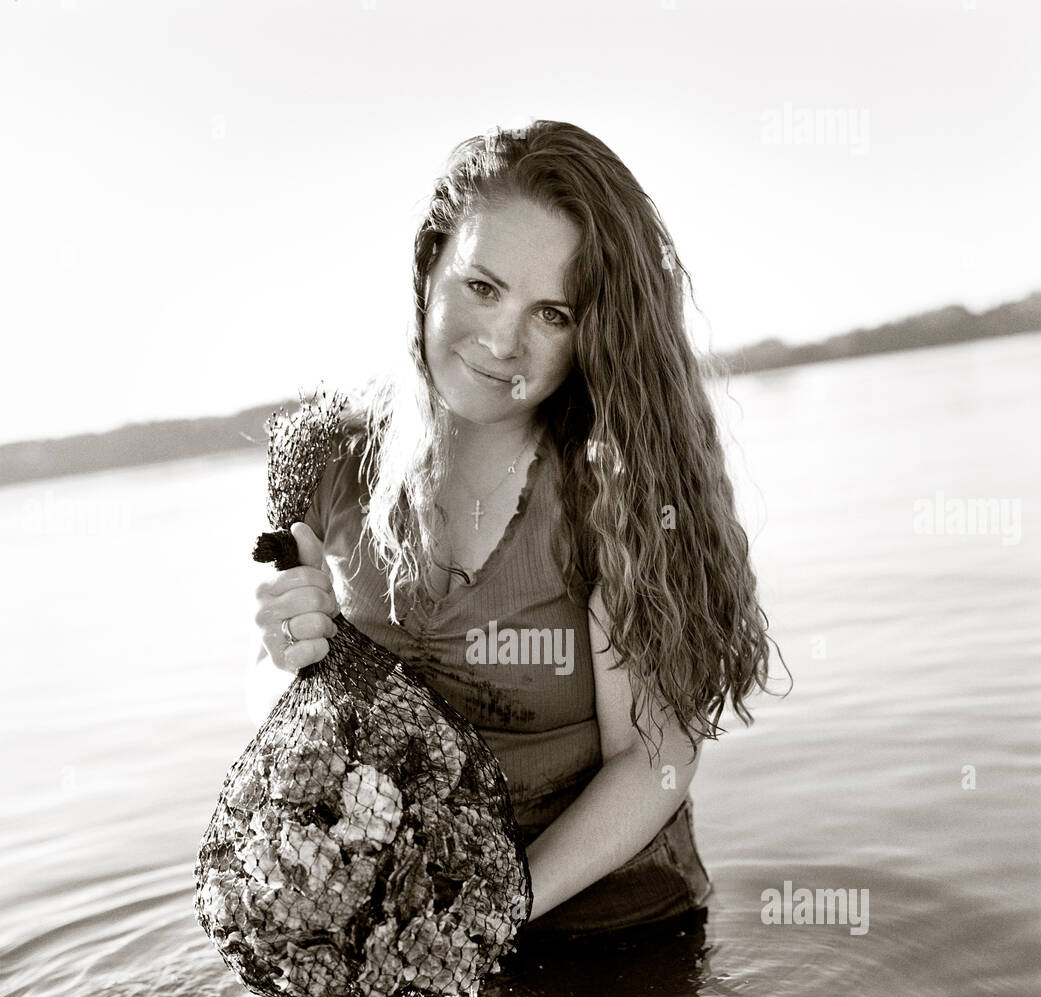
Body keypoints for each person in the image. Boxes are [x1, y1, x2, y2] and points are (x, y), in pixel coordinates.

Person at [251, 120, 783, 934]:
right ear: (429, 266)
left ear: (594, 330)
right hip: (419, 931)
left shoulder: (614, 491)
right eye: (482, 287)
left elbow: (657, 759)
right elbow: (296, 688)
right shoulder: (324, 461)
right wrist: (291, 646)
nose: (503, 341)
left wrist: (494, 912)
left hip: (618, 935)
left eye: (554, 313)